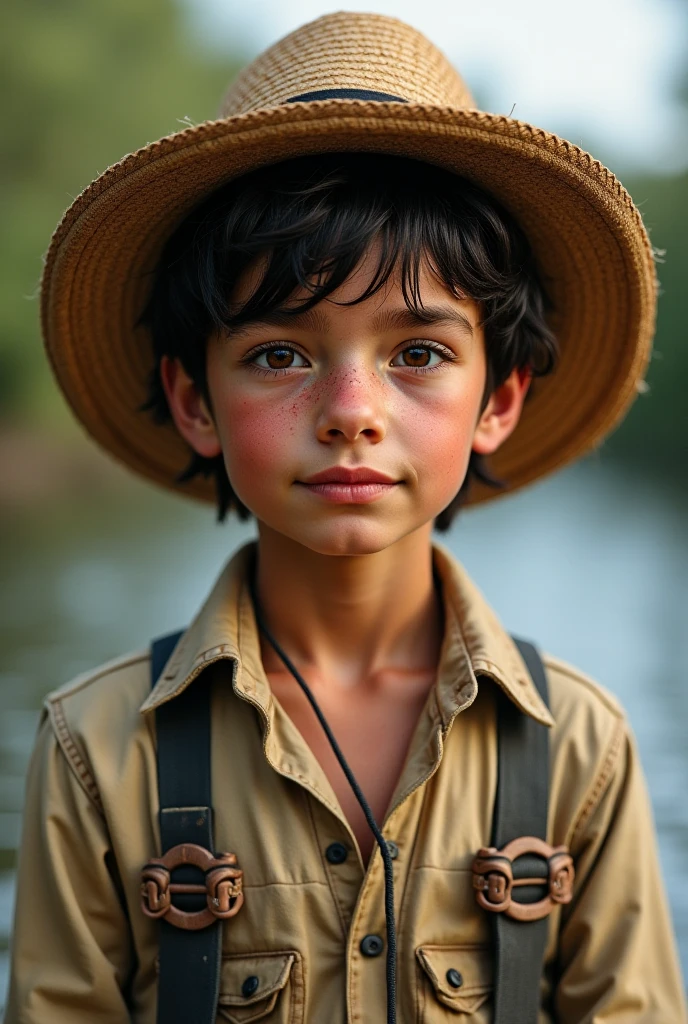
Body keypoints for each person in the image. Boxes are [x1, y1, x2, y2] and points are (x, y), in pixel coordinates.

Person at [5, 11, 686, 1024]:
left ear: (498, 399)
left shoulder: (578, 746)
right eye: (280, 353)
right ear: (195, 400)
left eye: (417, 353)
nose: (352, 413)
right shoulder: (99, 747)